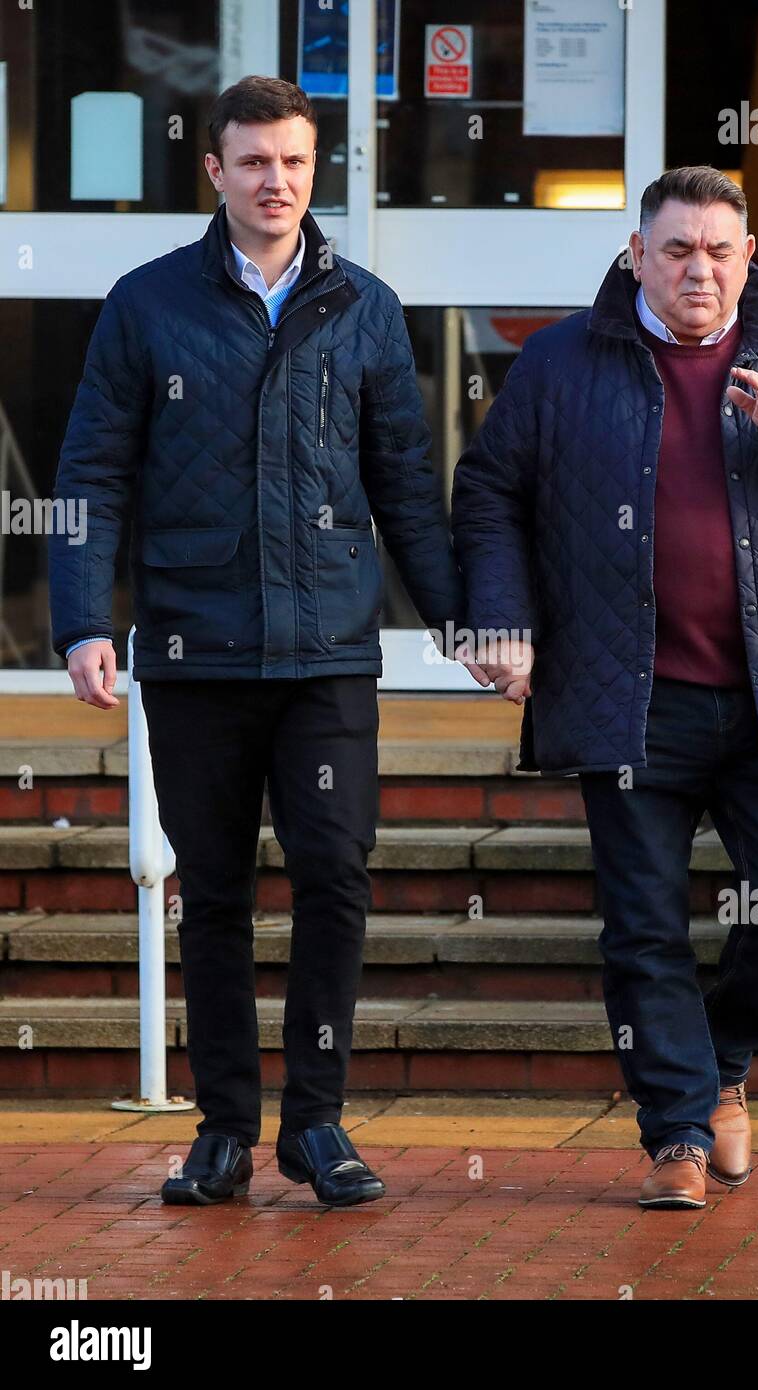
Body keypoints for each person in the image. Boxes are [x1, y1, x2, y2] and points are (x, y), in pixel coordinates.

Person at [49, 76, 485, 1208]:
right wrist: (85, 618)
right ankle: (225, 1129)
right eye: (252, 162)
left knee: (335, 874)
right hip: (194, 655)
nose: (274, 181)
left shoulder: (367, 309)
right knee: (216, 893)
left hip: (328, 655)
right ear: (215, 171)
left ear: (315, 166)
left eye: (292, 161)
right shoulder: (147, 306)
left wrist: (462, 619)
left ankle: (318, 1123)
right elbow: (91, 473)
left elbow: (404, 486)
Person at [451, 165, 758, 1210]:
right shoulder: (565, 361)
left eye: (717, 250)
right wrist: (500, 616)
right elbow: (488, 494)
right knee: (642, 924)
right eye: (675, 249)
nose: (697, 268)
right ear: (635, 257)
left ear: (747, 259)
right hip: (626, 696)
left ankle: (722, 1062)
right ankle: (676, 1139)